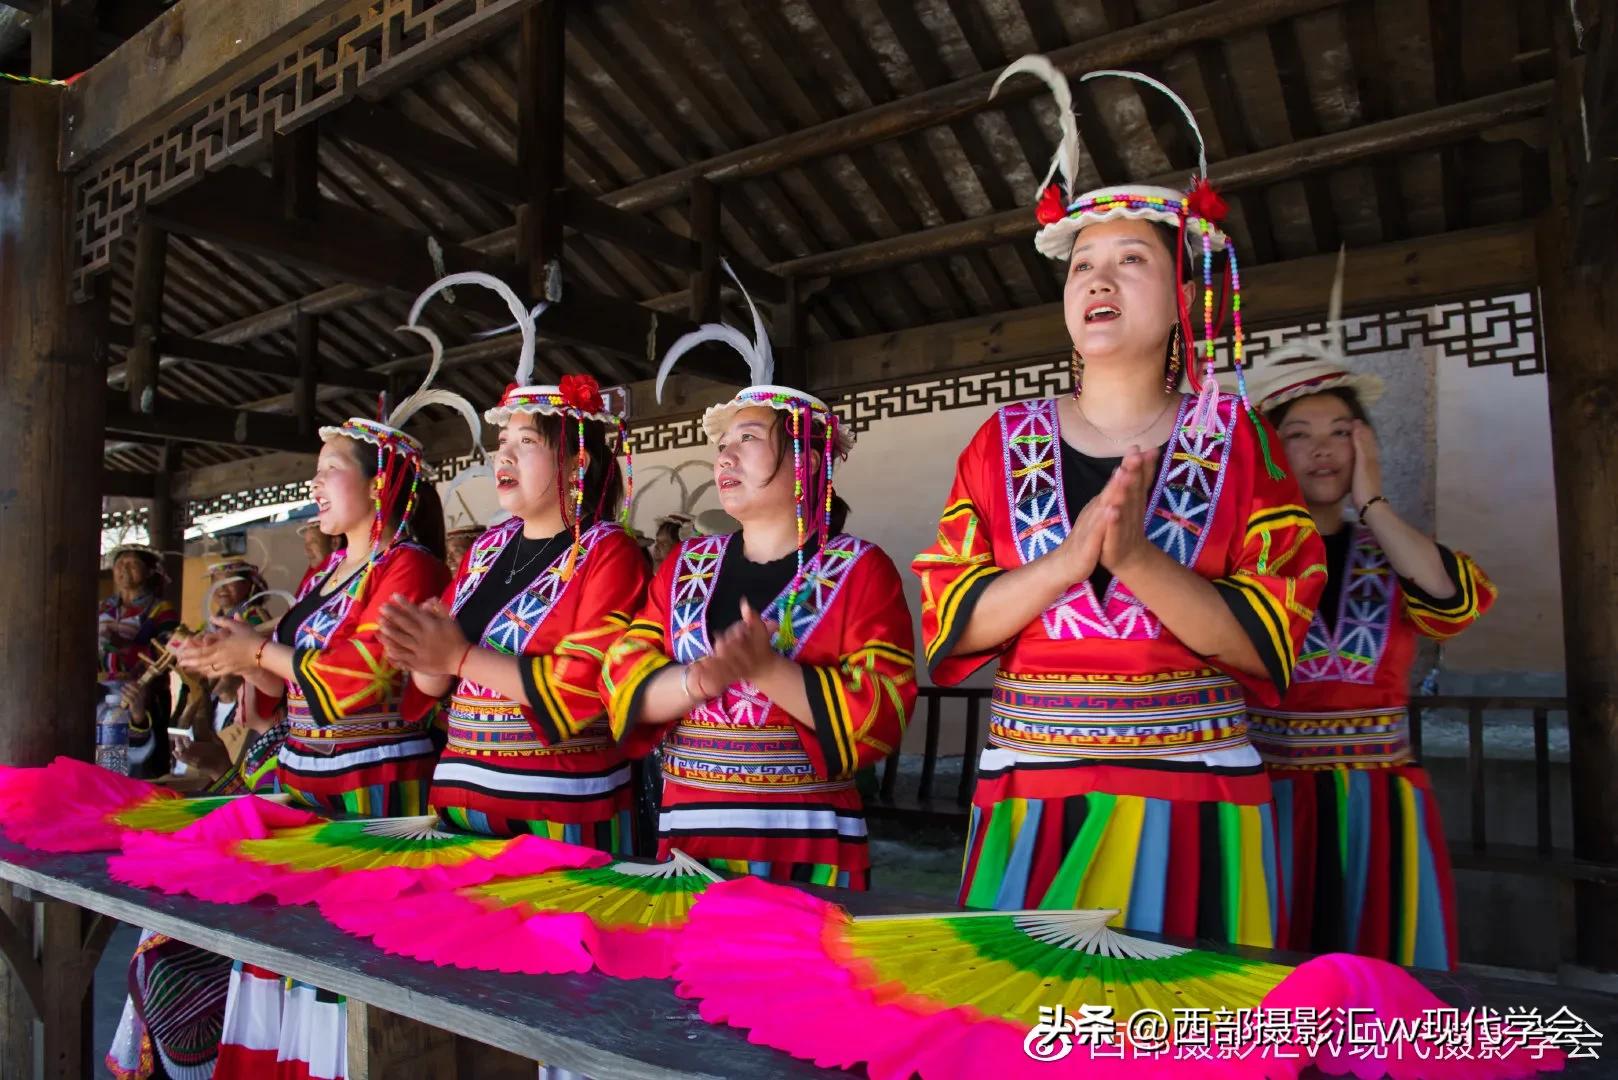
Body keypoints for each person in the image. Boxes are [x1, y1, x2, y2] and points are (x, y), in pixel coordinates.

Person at [913, 60, 1325, 947]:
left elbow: (1264, 633)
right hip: (1034, 786)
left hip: (1194, 786)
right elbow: (957, 619)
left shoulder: (1240, 438)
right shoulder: (1001, 440)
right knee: (1024, 1029)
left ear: (1185, 300)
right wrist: (1068, 563)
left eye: (1131, 261)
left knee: (1182, 1030)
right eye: (1082, 266)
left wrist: (1137, 559)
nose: (1097, 280)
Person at [174, 291, 475, 1079]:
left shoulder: (409, 566)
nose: (315, 485)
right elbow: (280, 680)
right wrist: (231, 660)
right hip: (306, 779)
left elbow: (358, 676)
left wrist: (260, 655)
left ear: (380, 487)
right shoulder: (321, 573)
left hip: (375, 788)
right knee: (286, 954)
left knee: (350, 970)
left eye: (329, 472)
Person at [604, 266, 917, 889]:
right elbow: (624, 675)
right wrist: (702, 677)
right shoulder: (686, 564)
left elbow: (883, 708)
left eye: (749, 437)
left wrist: (768, 670)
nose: (726, 455)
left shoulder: (859, 568)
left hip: (805, 833)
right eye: (722, 443)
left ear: (806, 460)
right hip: (689, 826)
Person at [1246, 270, 1496, 970]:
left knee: (1376, 979)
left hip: (1375, 804)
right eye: (1298, 434)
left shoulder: (1389, 553)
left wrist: (1376, 502)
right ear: (1269, 452)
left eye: (1339, 432)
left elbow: (1450, 604)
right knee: (1272, 980)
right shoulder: (1242, 563)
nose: (1322, 449)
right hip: (1266, 800)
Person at [376, 274, 649, 848]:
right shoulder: (488, 547)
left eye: (525, 443)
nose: (504, 455)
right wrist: (419, 649)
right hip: (458, 804)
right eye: (502, 446)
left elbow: (583, 690)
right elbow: (438, 677)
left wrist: (456, 654)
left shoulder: (608, 552)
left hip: (559, 816)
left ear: (576, 463)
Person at [98, 544, 180, 778]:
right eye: (120, 564)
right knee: (105, 760)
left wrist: (124, 646)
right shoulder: (104, 607)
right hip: (102, 692)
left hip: (142, 690)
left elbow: (170, 647)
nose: (124, 568)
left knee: (140, 765)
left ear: (148, 571)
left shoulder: (159, 608)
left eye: (132, 563)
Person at [296, 520, 334, 596]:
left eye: (313, 541)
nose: (306, 549)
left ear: (335, 543)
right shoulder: (312, 578)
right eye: (306, 542)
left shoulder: (344, 578)